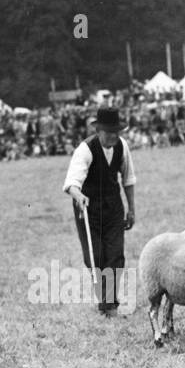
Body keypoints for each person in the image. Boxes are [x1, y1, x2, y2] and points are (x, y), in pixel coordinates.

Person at [62, 107, 136, 316]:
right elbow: (71, 184)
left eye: (116, 131)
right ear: (99, 130)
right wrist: (79, 196)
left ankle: (108, 304)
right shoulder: (85, 149)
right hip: (88, 209)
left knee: (115, 255)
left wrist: (131, 209)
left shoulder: (122, 146)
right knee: (95, 256)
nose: (113, 136)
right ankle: (105, 301)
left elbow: (128, 179)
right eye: (108, 131)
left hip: (113, 208)